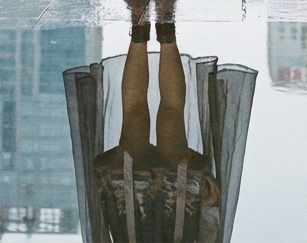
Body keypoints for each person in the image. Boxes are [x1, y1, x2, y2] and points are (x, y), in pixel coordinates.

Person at [63, 18, 257, 241]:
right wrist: (211, 206)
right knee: (169, 118)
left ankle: (140, 26)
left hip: (131, 219)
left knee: (137, 119)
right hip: (178, 217)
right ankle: (165, 29)